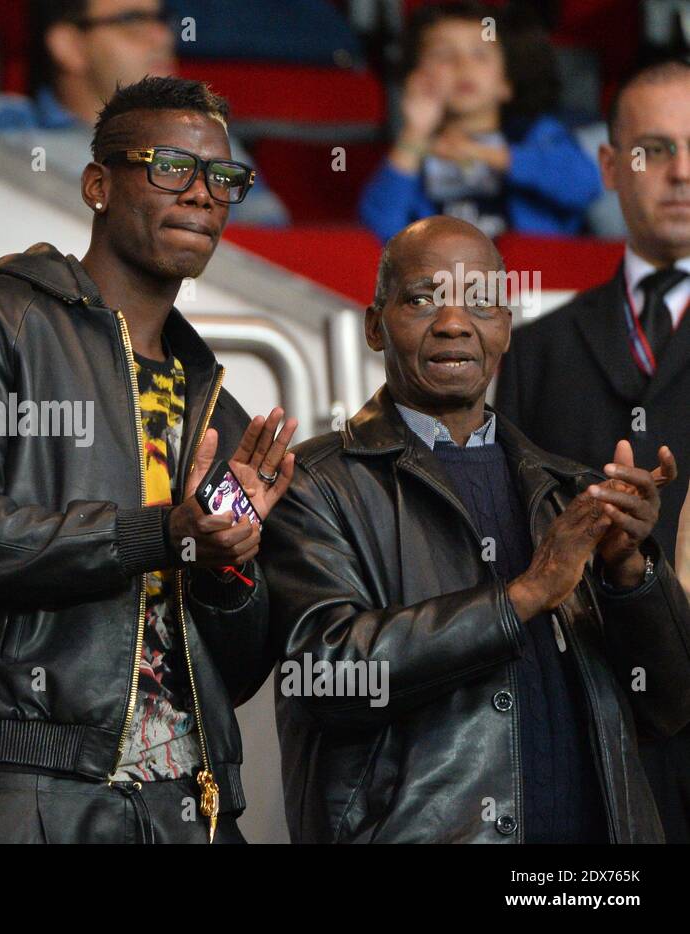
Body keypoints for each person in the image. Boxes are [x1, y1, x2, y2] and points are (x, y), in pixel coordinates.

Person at [0, 76, 293, 844]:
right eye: (171, 167)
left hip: (193, 796)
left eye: (224, 177)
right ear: (97, 185)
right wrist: (157, 534)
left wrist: (226, 567)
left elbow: (238, 671)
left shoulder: (214, 403)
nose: (203, 193)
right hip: (31, 780)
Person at [262, 215, 690, 844]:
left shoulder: (568, 490)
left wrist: (631, 574)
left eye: (481, 302)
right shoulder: (312, 483)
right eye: (423, 300)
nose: (454, 323)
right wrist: (524, 596)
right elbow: (327, 678)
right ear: (375, 326)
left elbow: (667, 708)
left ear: (505, 328)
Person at [497, 57, 690, 841]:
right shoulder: (534, 352)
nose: (681, 172)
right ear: (610, 166)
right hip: (588, 737)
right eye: (654, 149)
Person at [0, 0, 289, 226]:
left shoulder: (212, 140)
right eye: (132, 21)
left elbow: (269, 254)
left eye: (161, 19)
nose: (163, 38)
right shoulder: (10, 125)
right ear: (69, 45)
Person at [358, 1, 600, 242]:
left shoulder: (537, 135)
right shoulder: (412, 155)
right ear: (416, 76)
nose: (463, 66)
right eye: (443, 55)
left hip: (530, 266)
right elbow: (379, 228)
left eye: (480, 54)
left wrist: (484, 154)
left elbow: (584, 185)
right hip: (445, 266)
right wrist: (415, 133)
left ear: (506, 82)